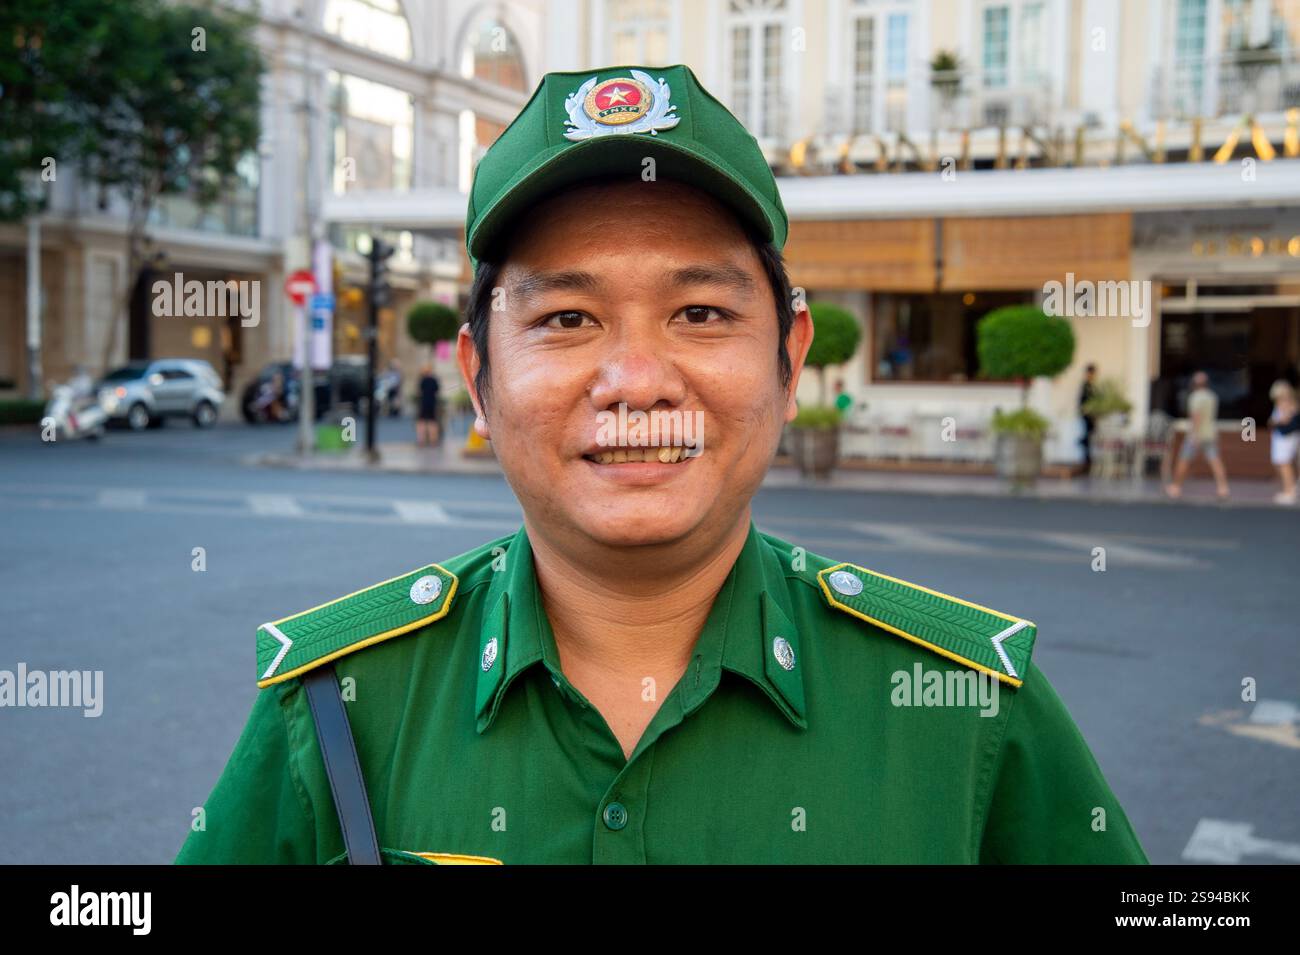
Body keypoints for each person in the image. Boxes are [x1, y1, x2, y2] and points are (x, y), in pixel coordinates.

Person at [175, 64, 1147, 865]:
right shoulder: (334, 704)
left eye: (700, 313)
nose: (635, 381)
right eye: (565, 319)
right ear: (477, 375)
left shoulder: (965, 708)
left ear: (789, 356)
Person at [1166, 370, 1230, 500]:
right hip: (1210, 433)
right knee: (1215, 461)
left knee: (1184, 460)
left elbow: (1196, 416)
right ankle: (1223, 488)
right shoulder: (1212, 396)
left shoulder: (1195, 397)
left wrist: (1194, 434)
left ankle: (1176, 487)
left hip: (1196, 435)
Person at [1269, 380, 1299, 505]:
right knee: (1283, 464)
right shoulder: (1283, 402)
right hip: (1282, 437)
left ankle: (1289, 492)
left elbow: (1284, 420)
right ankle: (1289, 490)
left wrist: (1275, 422)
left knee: (1285, 464)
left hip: (1285, 438)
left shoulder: (1286, 403)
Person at [1079, 363, 1098, 474]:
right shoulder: (1085, 386)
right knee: (1087, 438)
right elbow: (1083, 402)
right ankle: (1087, 461)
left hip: (1092, 417)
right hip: (1087, 417)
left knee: (1090, 438)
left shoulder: (1092, 386)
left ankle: (1089, 460)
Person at [416, 364, 440, 446]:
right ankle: (433, 440)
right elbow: (437, 390)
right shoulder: (434, 380)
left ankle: (421, 440)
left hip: (424, 403)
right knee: (432, 421)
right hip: (432, 403)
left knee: (421, 421)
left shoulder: (422, 380)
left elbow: (419, 391)